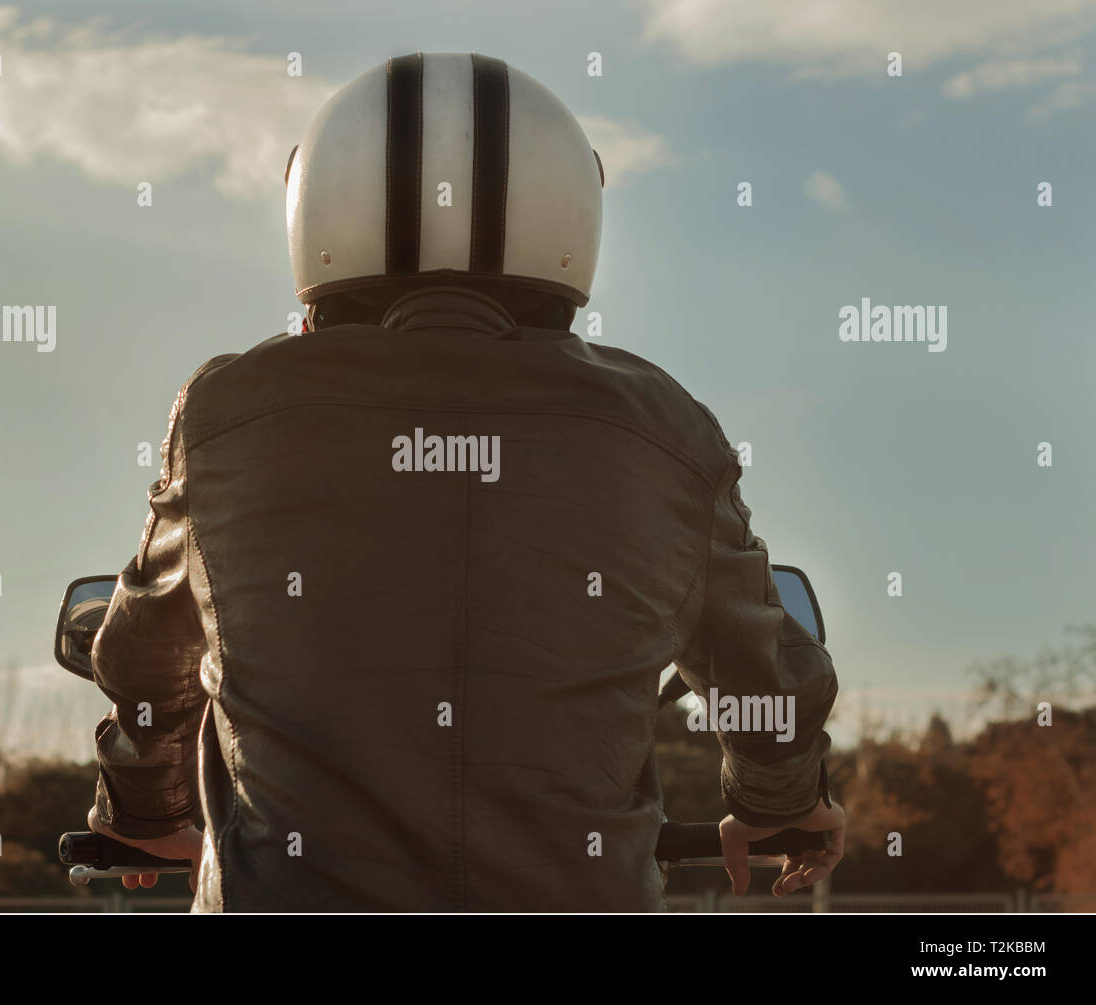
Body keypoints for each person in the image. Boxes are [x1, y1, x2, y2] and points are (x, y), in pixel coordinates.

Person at [85, 51, 844, 911]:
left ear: (318, 216)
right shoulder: (665, 431)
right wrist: (778, 807)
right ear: (568, 222)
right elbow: (766, 679)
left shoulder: (225, 417)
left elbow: (147, 657)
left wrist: (143, 808)